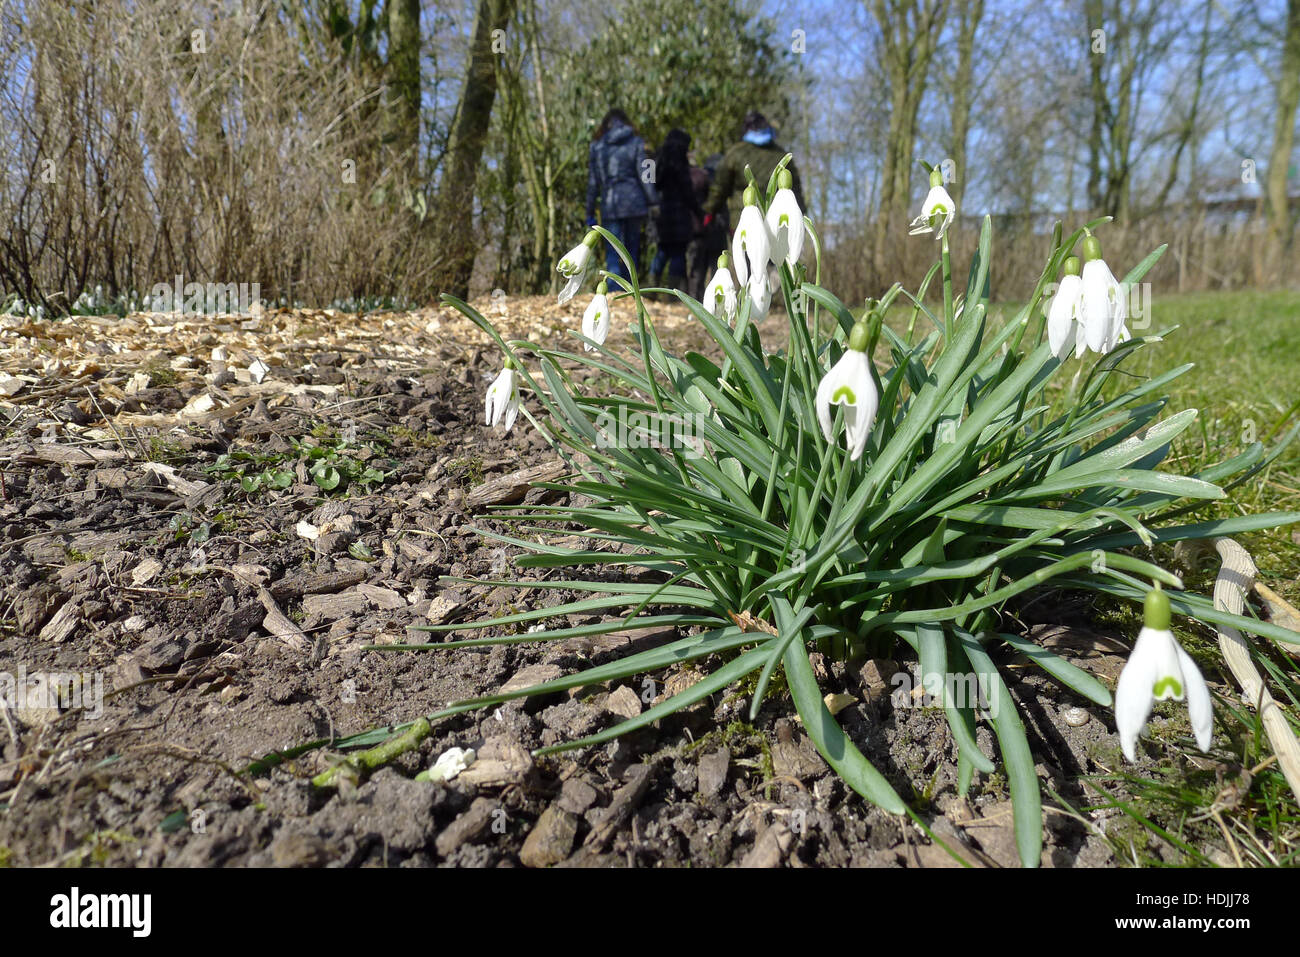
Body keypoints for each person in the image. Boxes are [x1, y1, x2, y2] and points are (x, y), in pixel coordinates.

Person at [586, 109, 657, 281]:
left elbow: (593, 182)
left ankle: (613, 289)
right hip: (635, 203)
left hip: (610, 203)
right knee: (632, 249)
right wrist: (653, 202)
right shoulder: (637, 143)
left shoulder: (597, 147)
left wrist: (589, 210)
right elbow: (646, 175)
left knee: (612, 248)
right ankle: (632, 289)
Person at [704, 110, 805, 232]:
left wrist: (709, 211)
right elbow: (796, 189)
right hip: (778, 221)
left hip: (742, 220)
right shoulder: (781, 155)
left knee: (745, 250)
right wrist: (800, 213)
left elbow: (720, 187)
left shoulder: (736, 153)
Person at [647, 129, 701, 296]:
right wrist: (698, 212)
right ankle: (674, 295)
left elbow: (650, 184)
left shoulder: (657, 158)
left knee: (662, 250)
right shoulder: (679, 160)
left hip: (661, 212)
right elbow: (687, 190)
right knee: (678, 252)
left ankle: (651, 290)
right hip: (679, 212)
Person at [687, 152, 727, 301]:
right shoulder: (721, 184)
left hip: (700, 230)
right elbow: (724, 210)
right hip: (717, 229)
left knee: (698, 268)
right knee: (717, 268)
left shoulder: (697, 178)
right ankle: (718, 301)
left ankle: (696, 300)